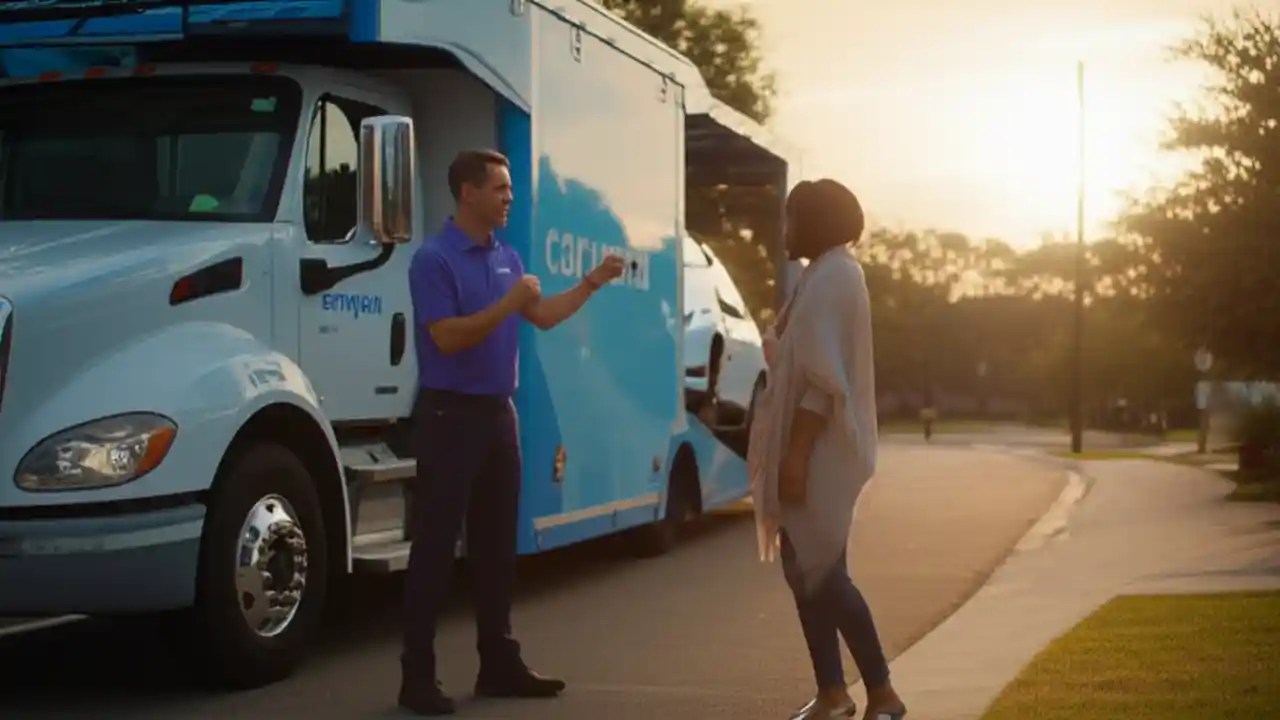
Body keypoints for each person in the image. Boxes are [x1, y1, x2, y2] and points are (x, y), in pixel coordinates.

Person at [399, 149, 625, 716]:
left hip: (499, 416)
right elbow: (447, 337)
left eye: (509, 189)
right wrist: (509, 303)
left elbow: (542, 315)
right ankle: (417, 677)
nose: (508, 198)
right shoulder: (434, 259)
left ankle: (499, 663)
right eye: (499, 188)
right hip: (449, 416)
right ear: (467, 193)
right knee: (433, 549)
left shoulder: (506, 254)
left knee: (498, 548)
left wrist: (592, 282)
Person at [748, 178, 908, 720]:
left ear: (813, 221)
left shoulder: (835, 277)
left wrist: (796, 456)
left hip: (820, 449)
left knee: (822, 572)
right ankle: (832, 693)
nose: (785, 229)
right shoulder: (819, 276)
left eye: (792, 218)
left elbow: (824, 380)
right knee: (806, 570)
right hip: (808, 444)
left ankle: (882, 692)